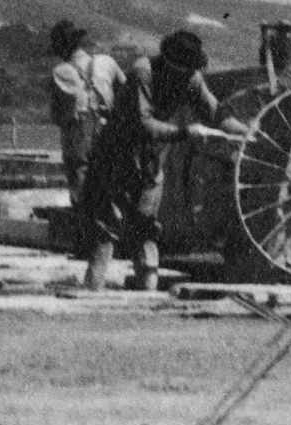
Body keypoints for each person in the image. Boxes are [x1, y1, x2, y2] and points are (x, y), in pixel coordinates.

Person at [80, 29, 236, 290]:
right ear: (170, 64)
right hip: (116, 157)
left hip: (151, 162)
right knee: (106, 227)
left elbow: (216, 113)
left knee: (147, 226)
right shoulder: (144, 72)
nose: (187, 77)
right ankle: (93, 288)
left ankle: (146, 293)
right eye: (183, 72)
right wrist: (185, 132)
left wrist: (247, 131)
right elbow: (143, 124)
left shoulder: (192, 78)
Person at [44, 20, 121, 208]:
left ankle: (85, 224)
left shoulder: (60, 72)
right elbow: (125, 92)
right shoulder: (107, 63)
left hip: (78, 135)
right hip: (108, 131)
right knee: (108, 180)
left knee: (80, 179)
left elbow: (56, 115)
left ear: (62, 48)